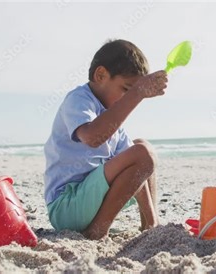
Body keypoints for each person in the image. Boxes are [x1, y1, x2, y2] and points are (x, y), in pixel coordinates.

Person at [44, 39, 168, 240]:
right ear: (100, 75)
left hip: (90, 202)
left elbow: (141, 167)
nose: (128, 98)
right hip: (66, 206)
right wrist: (137, 94)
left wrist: (152, 222)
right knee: (142, 153)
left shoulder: (111, 119)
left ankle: (150, 225)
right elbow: (93, 137)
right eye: (126, 89)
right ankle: (97, 231)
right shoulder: (79, 99)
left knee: (142, 148)